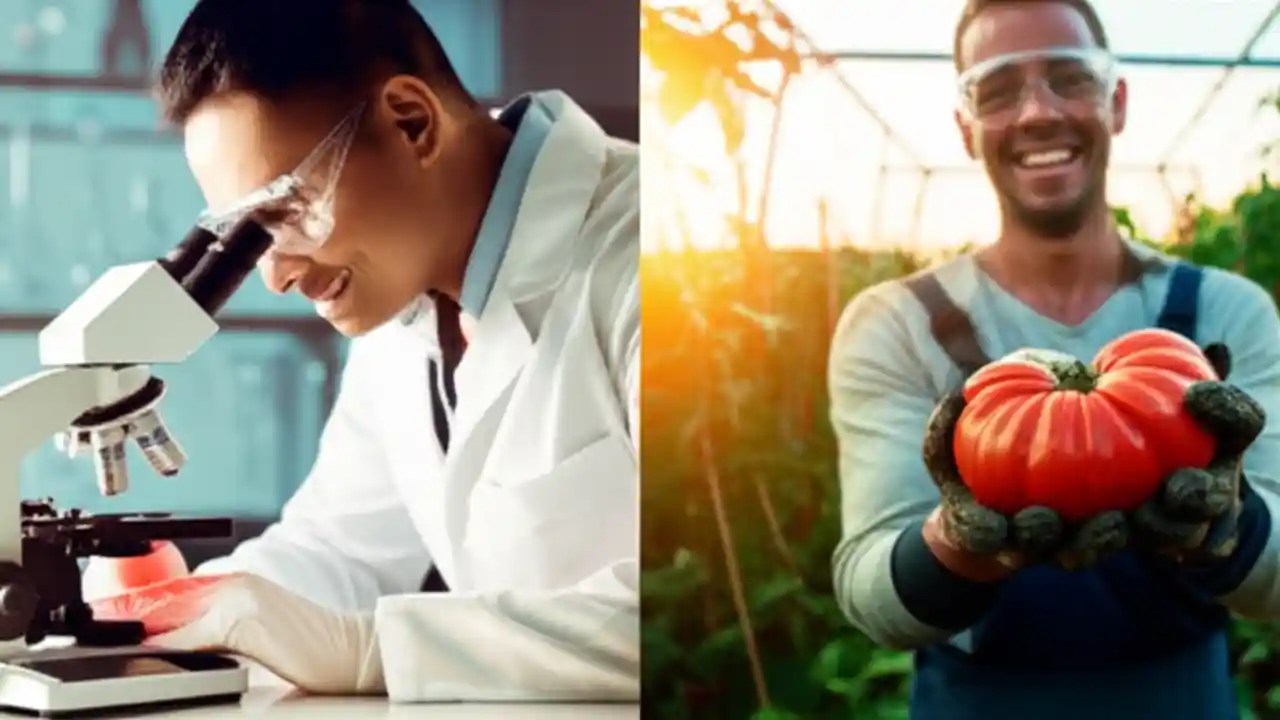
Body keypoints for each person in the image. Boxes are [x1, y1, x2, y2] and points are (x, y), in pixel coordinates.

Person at [89, 0, 639, 702]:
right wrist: (169, 614)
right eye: (245, 234)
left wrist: (371, 649)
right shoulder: (401, 308)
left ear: (411, 121)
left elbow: (691, 610)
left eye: (286, 214)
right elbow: (339, 549)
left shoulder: (645, 263)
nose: (277, 274)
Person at [827, 1, 1280, 718]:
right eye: (998, 90)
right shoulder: (897, 324)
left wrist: (1231, 525)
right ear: (965, 127)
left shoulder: (1229, 312)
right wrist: (955, 545)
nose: (1037, 112)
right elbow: (868, 589)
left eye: (1069, 78)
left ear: (1117, 102)